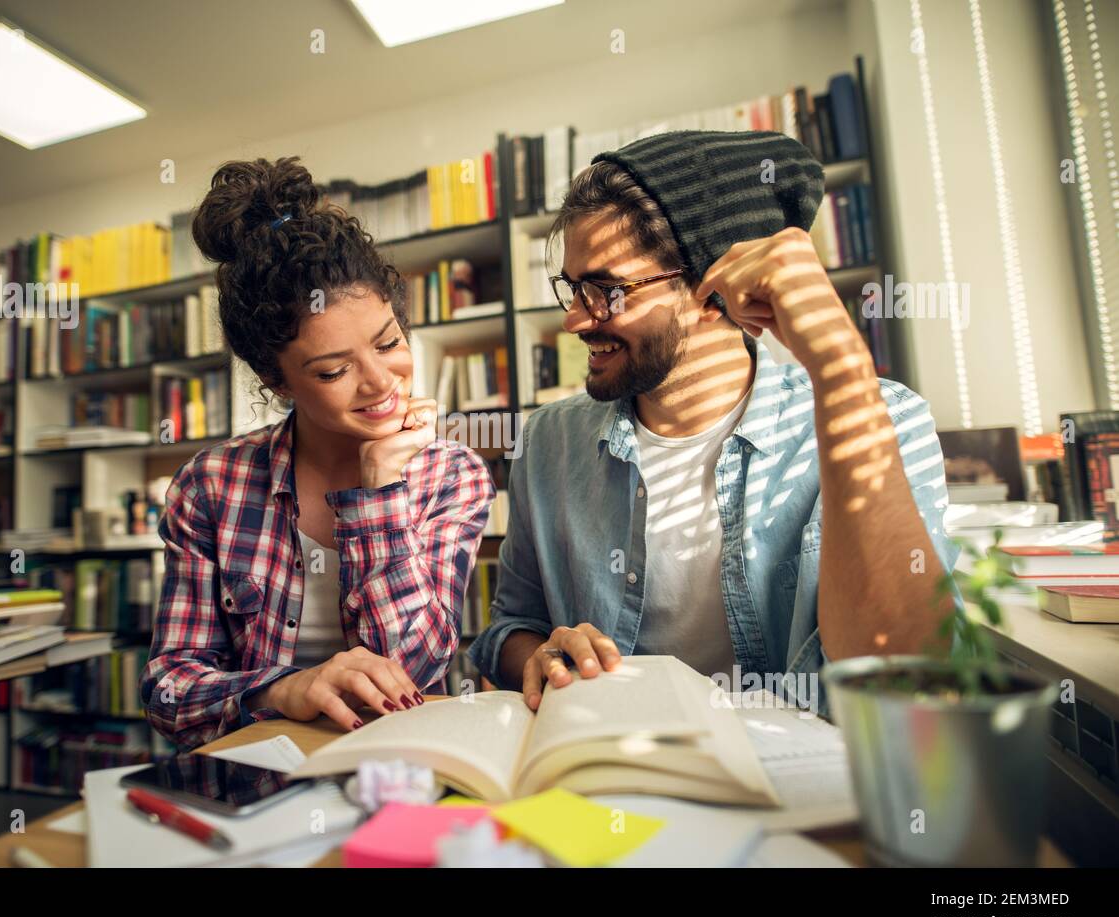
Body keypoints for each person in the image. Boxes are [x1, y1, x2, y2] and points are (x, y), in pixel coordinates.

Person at [470, 129, 956, 714]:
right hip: (613, 774)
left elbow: (901, 673)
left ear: (713, 292)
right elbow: (510, 626)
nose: (575, 320)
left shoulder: (882, 420)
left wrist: (840, 367)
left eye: (604, 291)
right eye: (573, 289)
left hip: (799, 788)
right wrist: (541, 655)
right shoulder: (550, 443)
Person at [143, 157, 495, 748]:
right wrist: (282, 689)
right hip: (259, 767)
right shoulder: (211, 486)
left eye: (389, 342)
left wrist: (378, 490)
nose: (382, 382)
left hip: (399, 761)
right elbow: (168, 691)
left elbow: (411, 665)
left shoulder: (451, 476)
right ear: (276, 381)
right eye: (333, 370)